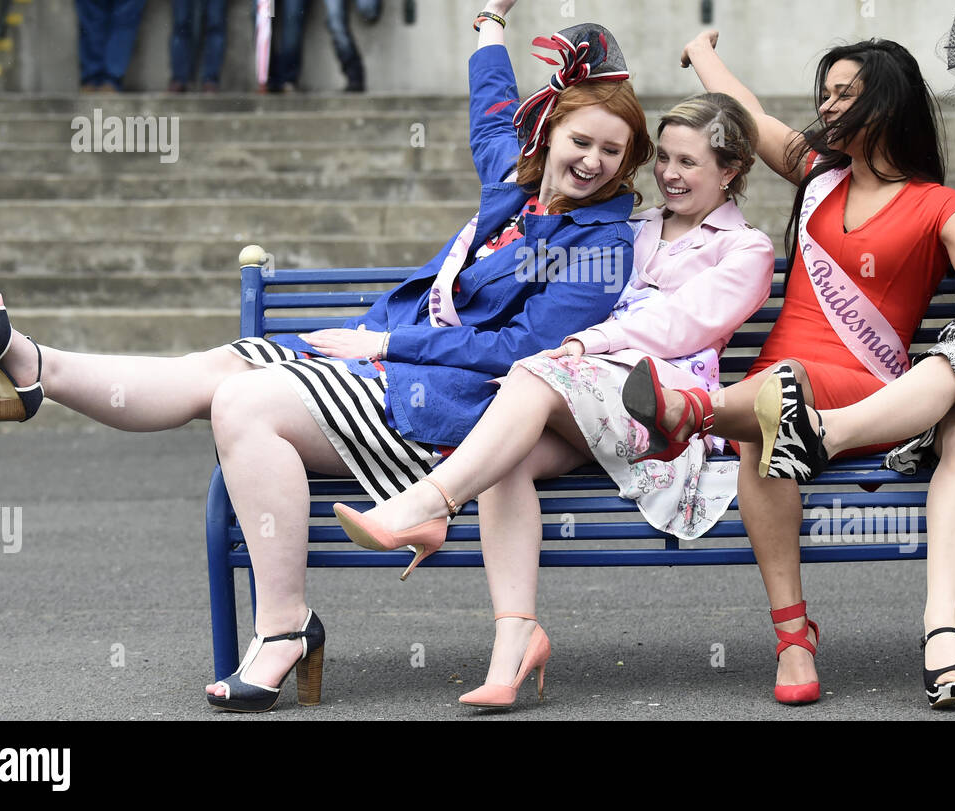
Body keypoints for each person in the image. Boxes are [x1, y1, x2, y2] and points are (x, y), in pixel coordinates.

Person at [0, 0, 653, 713]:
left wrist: (383, 350)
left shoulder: (599, 242)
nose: (594, 162)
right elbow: (490, 111)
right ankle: (39, 370)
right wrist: (489, 23)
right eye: (582, 140)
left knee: (245, 402)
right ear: (548, 133)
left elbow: (519, 351)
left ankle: (284, 628)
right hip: (392, 364)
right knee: (220, 366)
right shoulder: (514, 183)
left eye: (613, 153)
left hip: (457, 410)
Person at [622, 12, 955, 707]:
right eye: (824, 93)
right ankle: (794, 638)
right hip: (782, 389)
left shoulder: (939, 205)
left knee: (775, 398)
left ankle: (695, 411)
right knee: (769, 423)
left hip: (866, 393)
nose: (827, 105)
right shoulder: (818, 174)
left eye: (844, 92)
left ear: (884, 103)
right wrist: (700, 54)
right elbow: (750, 114)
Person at [332, 92, 775, 708]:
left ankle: (424, 508)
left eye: (689, 163)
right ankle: (515, 641)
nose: (670, 174)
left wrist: (585, 340)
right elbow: (507, 138)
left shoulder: (745, 249)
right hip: (577, 395)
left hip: (659, 408)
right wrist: (491, 28)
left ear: (730, 171)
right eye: (665, 159)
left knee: (533, 372)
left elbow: (680, 325)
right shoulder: (628, 227)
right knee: (506, 452)